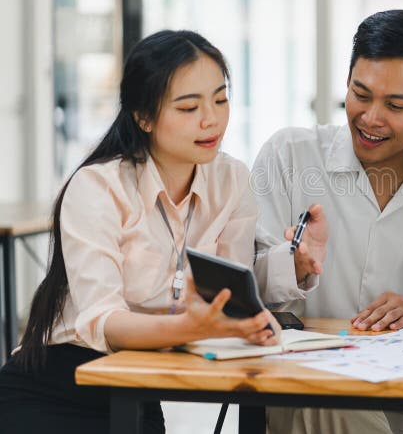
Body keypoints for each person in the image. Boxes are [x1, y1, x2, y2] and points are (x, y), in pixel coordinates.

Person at [0, 30, 326, 434]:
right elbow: (105, 322)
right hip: (59, 381)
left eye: (220, 99)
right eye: (189, 107)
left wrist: (289, 265)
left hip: (141, 382)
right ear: (144, 116)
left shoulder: (230, 180)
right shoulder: (99, 186)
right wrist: (191, 328)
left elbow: (227, 290)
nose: (212, 119)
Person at [252, 9, 403, 434]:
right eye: (361, 94)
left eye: (395, 105)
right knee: (331, 391)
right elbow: (242, 286)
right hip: (298, 393)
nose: (371, 118)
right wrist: (295, 265)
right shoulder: (289, 156)